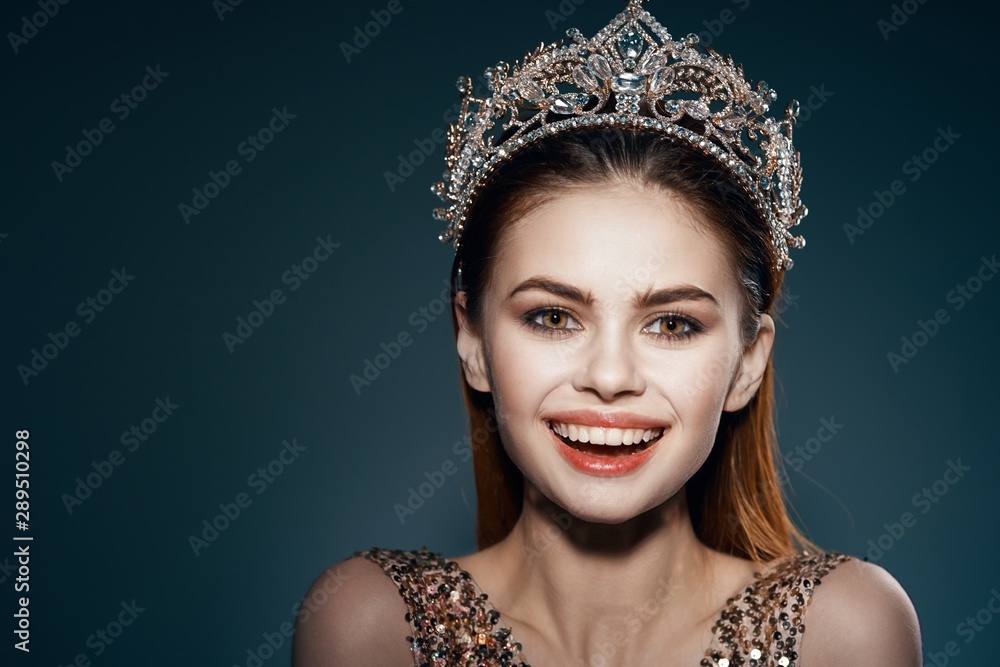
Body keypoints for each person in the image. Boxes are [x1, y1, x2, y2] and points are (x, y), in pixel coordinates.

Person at [292, 2, 922, 664]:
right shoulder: (370, 624)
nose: (611, 375)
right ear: (472, 339)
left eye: (673, 323)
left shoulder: (844, 629)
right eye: (554, 316)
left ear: (748, 362)